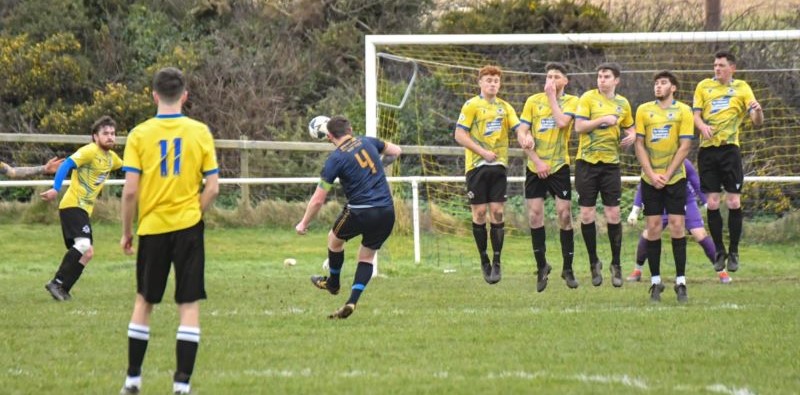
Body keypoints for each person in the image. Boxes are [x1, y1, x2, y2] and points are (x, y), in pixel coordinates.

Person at [118, 67, 220, 395]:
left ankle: (133, 381)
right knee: (188, 305)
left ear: (154, 95)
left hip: (152, 228)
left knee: (144, 301)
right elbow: (213, 188)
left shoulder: (139, 135)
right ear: (185, 96)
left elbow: (130, 191)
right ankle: (181, 386)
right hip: (188, 228)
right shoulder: (200, 132)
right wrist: (194, 212)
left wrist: (127, 231)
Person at [297, 115, 401, 319]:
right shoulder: (368, 141)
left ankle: (333, 284)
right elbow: (396, 151)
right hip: (386, 211)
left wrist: (303, 223)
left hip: (360, 211)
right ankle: (352, 301)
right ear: (350, 130)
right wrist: (380, 165)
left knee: (334, 241)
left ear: (329, 137)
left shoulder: (335, 159)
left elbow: (318, 200)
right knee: (367, 257)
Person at [693, 51, 763, 273]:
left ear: (732, 68)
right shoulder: (704, 86)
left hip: (730, 150)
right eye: (715, 65)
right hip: (707, 151)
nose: (717, 68)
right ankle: (719, 251)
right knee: (712, 203)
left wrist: (758, 112)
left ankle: (733, 252)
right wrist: (702, 126)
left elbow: (756, 120)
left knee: (733, 202)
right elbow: (695, 115)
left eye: (721, 65)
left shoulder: (742, 88)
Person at [41, 116, 122, 301]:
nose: (110, 137)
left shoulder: (111, 158)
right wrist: (55, 188)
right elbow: (67, 164)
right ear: (95, 136)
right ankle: (56, 282)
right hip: (73, 205)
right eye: (105, 133)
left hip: (83, 209)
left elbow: (129, 167)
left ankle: (62, 289)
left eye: (113, 133)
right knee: (84, 245)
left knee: (88, 252)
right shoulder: (89, 151)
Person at [453, 65, 520, 284]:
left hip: (498, 166)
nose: (492, 84)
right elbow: (459, 134)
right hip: (476, 167)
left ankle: (497, 261)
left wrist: (524, 137)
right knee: (480, 213)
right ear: (480, 82)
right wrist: (482, 152)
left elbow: (518, 127)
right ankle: (484, 260)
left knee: (498, 213)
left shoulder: (505, 107)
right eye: (489, 80)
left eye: (496, 81)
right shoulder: (471, 105)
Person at [516, 62, 578, 292]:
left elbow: (562, 123)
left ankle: (568, 268)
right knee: (534, 216)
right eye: (548, 76)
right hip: (536, 166)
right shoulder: (533, 101)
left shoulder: (572, 101)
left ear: (565, 81)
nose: (551, 80)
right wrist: (526, 139)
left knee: (564, 214)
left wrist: (552, 97)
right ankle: (542, 266)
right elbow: (522, 130)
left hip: (559, 165)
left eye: (556, 77)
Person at [633, 70, 694, 302]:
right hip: (650, 179)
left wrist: (667, 174)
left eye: (663, 83)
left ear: (673, 87)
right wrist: (651, 174)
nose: (658, 86)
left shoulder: (684, 111)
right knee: (653, 227)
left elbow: (685, 145)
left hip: (675, 178)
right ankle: (656, 282)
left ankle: (681, 282)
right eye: (656, 83)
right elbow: (639, 144)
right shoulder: (643, 110)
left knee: (678, 226)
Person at [573, 62, 636, 288]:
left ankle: (616, 264)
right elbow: (579, 127)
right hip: (586, 163)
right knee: (587, 215)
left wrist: (632, 135)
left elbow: (630, 126)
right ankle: (594, 262)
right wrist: (602, 120)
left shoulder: (623, 103)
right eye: (599, 76)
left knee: (613, 214)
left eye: (606, 76)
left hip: (610, 165)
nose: (602, 79)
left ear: (616, 80)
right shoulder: (588, 98)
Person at [626, 159, 732, 284]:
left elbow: (697, 185)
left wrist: (707, 204)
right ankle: (637, 270)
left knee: (700, 234)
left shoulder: (684, 163)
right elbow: (643, 187)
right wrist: (635, 211)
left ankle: (722, 271)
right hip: (661, 202)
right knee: (649, 234)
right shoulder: (651, 162)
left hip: (685, 201)